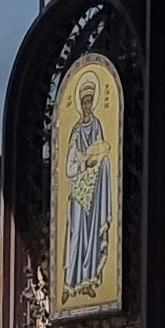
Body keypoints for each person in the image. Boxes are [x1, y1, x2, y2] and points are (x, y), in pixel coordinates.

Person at [58, 71, 112, 298]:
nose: (88, 105)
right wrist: (83, 164)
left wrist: (96, 160)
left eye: (91, 101)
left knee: (91, 235)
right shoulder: (77, 132)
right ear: (81, 104)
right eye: (85, 101)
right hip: (79, 193)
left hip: (94, 190)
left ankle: (88, 280)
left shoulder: (97, 126)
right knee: (77, 234)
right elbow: (69, 166)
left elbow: (101, 150)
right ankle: (70, 283)